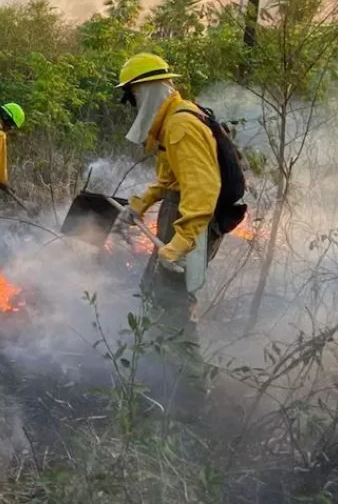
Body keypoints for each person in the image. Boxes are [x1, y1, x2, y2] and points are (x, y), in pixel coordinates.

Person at [114, 52, 225, 415]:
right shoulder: (172, 123)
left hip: (192, 226)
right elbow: (169, 179)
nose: (131, 105)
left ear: (143, 91)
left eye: (131, 97)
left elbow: (203, 190)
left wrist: (179, 245)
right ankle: (161, 373)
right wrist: (139, 204)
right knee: (155, 293)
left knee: (172, 304)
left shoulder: (181, 125)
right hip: (182, 219)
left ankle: (192, 396)